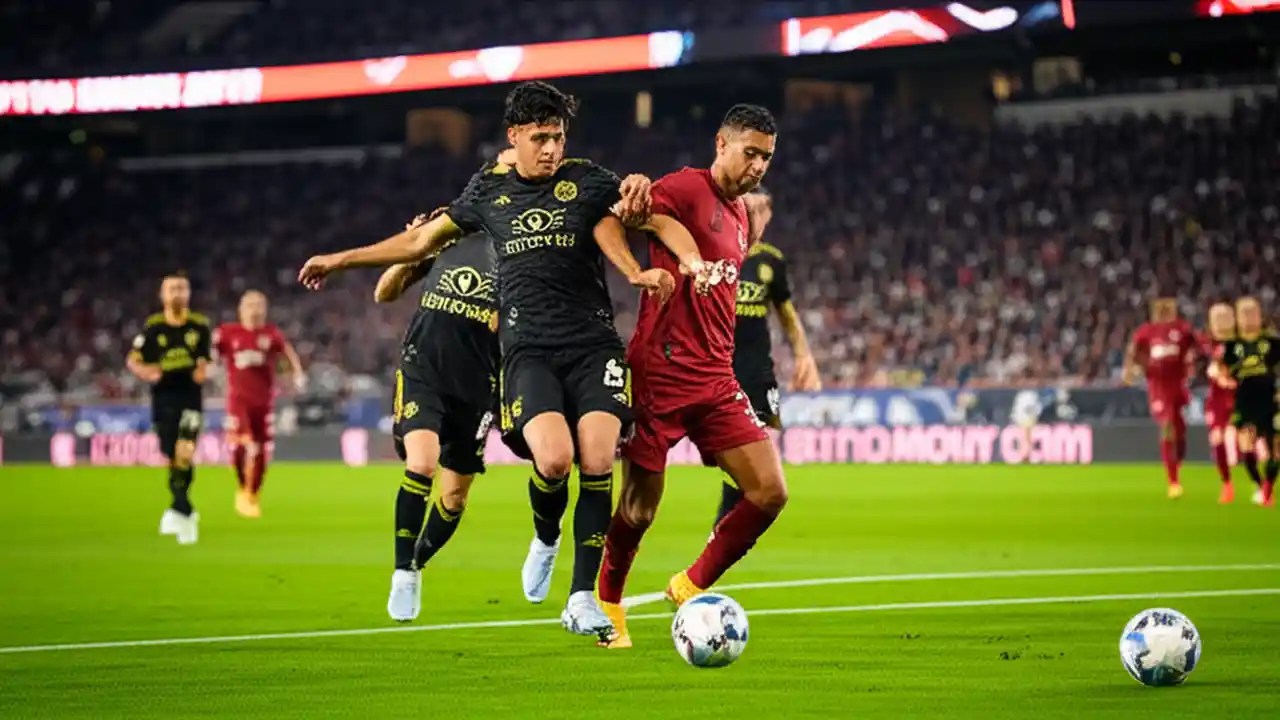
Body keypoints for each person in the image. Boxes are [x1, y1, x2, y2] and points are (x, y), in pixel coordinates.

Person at [298, 81, 703, 637]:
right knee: (555, 462)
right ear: (514, 137)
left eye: (558, 137)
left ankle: (582, 595)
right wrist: (338, 259)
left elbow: (656, 219)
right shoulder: (487, 191)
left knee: (599, 458)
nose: (551, 149)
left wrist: (691, 262)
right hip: (528, 351)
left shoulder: (589, 181)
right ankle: (546, 535)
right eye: (540, 138)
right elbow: (418, 244)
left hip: (593, 345)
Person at [595, 104, 788, 650]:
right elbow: (613, 218)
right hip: (660, 372)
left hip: (717, 377)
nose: (757, 166)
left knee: (769, 491)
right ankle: (608, 609)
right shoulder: (682, 187)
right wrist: (636, 269)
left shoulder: (743, 216)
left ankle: (690, 584)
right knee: (639, 509)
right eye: (749, 152)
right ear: (720, 143)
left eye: (766, 158)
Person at [373, 208, 500, 622]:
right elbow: (384, 293)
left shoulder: (523, 254)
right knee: (422, 463)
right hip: (423, 370)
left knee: (454, 498)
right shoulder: (449, 231)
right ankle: (401, 573)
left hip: (478, 386)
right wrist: (410, 251)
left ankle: (415, 563)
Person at [711, 186, 820, 525]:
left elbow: (786, 312)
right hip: (718, 368)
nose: (755, 215)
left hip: (758, 371)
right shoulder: (715, 251)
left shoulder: (771, 261)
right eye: (749, 207)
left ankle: (726, 527)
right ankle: (727, 527)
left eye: (762, 209)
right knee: (734, 455)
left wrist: (804, 356)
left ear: (769, 215)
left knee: (762, 449)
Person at [125, 272, 212, 545]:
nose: (177, 293)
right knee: (170, 454)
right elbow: (133, 359)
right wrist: (146, 373)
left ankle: (183, 512)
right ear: (162, 295)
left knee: (185, 452)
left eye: (182, 288)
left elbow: (205, 360)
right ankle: (180, 505)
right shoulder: (154, 327)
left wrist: (203, 369)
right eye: (172, 288)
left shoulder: (199, 326)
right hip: (163, 400)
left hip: (190, 398)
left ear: (188, 293)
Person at [213, 290, 305, 518]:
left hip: (264, 402)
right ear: (241, 309)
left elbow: (287, 352)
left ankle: (252, 495)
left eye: (259, 305)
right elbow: (212, 352)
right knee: (242, 446)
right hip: (238, 401)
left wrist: (298, 374)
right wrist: (208, 366)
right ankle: (243, 486)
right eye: (250, 305)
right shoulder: (228, 333)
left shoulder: (271, 334)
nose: (255, 309)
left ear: (264, 309)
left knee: (261, 449)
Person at [1123, 297, 1198, 498]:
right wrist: (1129, 371)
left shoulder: (1182, 329)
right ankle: (1173, 482)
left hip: (1178, 385)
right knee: (1166, 427)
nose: (1164, 312)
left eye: (1168, 308)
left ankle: (1177, 461)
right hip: (1158, 387)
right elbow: (1133, 351)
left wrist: (1194, 363)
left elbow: (1200, 344)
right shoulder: (1146, 331)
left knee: (1179, 430)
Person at [1211, 297, 1280, 507]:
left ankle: (1268, 487)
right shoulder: (1232, 346)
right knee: (1247, 449)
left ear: (1260, 315)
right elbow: (1219, 369)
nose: (1250, 317)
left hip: (1270, 401)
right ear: (1238, 318)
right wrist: (1222, 377)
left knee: (1276, 449)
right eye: (1245, 314)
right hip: (1245, 403)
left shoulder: (1271, 342)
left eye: (1253, 313)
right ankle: (1259, 485)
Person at [1201, 302, 1238, 502]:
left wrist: (1229, 378)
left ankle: (1262, 485)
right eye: (1216, 319)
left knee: (1253, 441)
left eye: (1224, 318)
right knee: (1217, 439)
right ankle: (1227, 484)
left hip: (1239, 397)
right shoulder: (1209, 344)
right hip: (1216, 400)